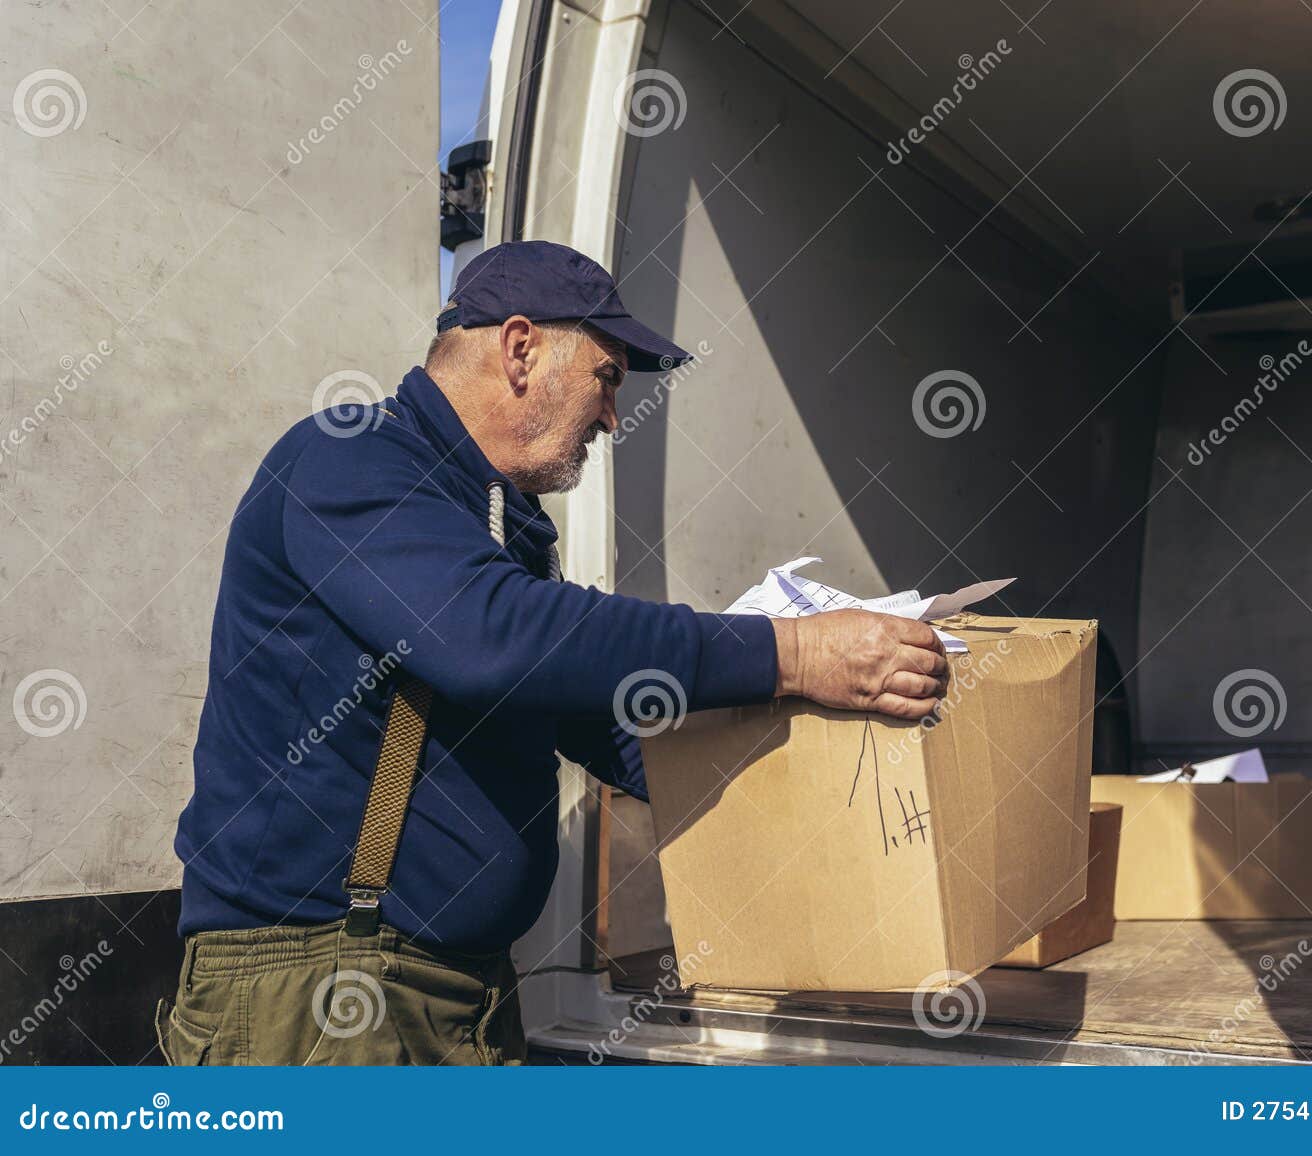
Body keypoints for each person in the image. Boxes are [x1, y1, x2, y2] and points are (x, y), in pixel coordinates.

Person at [160, 240, 948, 1065]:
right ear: (521, 348)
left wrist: (819, 770)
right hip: (325, 995)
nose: (614, 417)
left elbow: (597, 719)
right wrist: (789, 653)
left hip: (455, 993)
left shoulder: (504, 524)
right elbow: (492, 638)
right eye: (608, 379)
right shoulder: (348, 460)